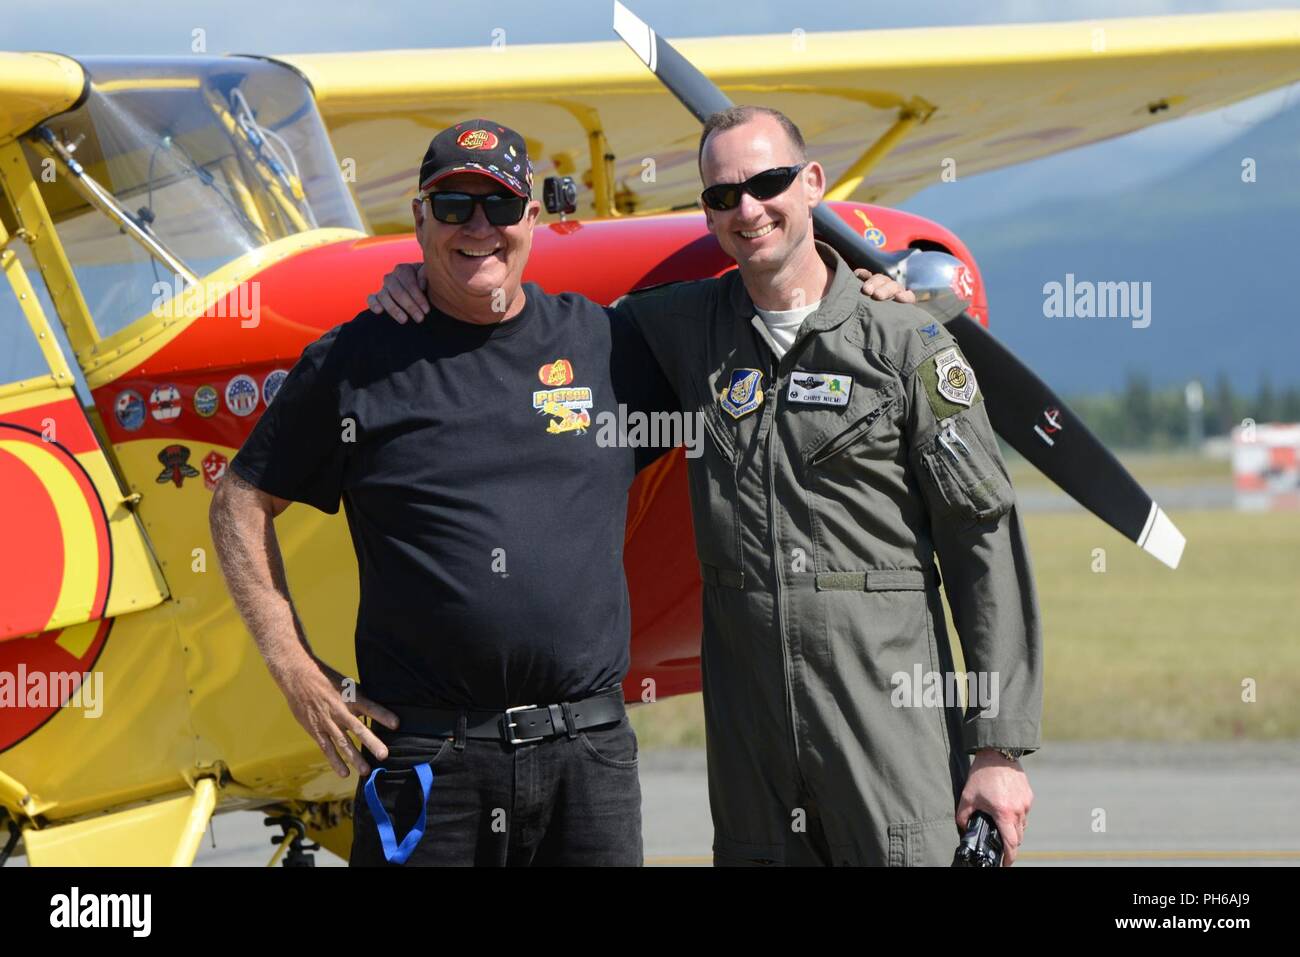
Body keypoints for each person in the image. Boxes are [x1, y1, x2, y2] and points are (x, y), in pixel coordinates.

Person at [371, 108, 1033, 868]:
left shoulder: (905, 344)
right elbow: (535, 329)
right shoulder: (685, 328)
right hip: (755, 763)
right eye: (722, 196)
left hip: (890, 743)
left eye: (769, 183)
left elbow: (984, 545)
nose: (748, 210)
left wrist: (998, 748)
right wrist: (426, 278)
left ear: (812, 183)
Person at [210, 120, 675, 866]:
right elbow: (239, 500)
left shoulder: (606, 346)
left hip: (587, 758)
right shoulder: (355, 361)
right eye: (455, 205)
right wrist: (293, 667)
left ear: (532, 217)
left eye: (500, 204)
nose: (479, 227)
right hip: (428, 759)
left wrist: (878, 288)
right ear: (419, 216)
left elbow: (752, 341)